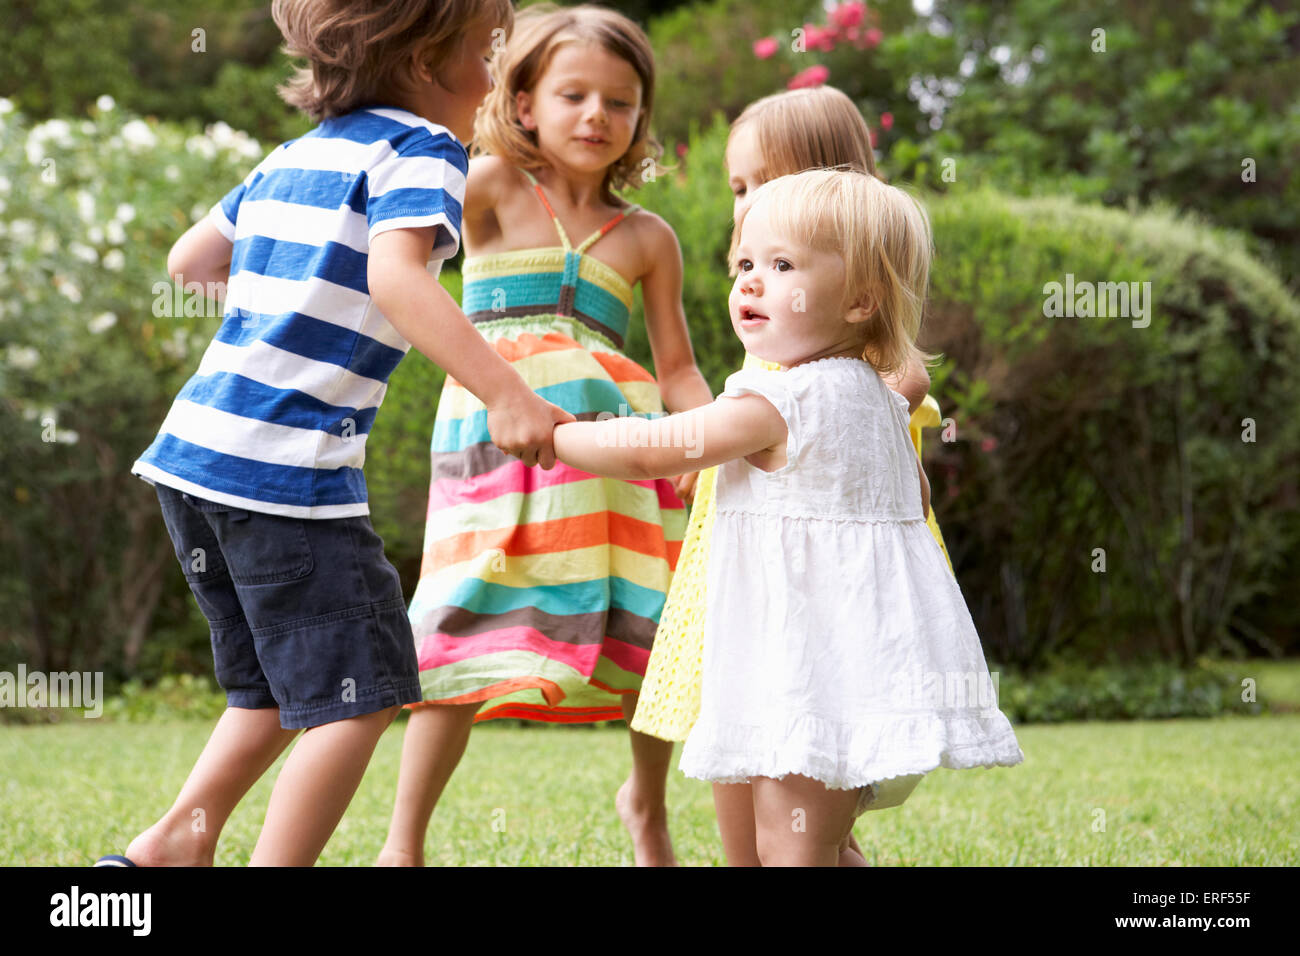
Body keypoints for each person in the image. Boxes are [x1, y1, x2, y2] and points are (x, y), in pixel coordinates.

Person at [98, 0, 570, 868]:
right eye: (490, 47)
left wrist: (281, 307)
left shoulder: (294, 155)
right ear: (430, 62)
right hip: (286, 471)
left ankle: (168, 848)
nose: (502, 69)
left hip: (197, 458)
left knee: (277, 690)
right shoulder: (425, 149)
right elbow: (397, 278)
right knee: (361, 693)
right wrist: (506, 394)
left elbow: (189, 263)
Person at [552, 168, 1025, 866]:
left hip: (803, 678)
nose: (750, 281)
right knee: (819, 846)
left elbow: (652, 448)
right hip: (867, 672)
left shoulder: (782, 401)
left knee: (791, 850)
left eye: (781, 266)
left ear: (862, 298)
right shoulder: (880, 403)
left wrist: (559, 436)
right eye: (745, 263)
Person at [377, 3, 711, 868]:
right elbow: (401, 265)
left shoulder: (647, 238)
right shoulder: (484, 184)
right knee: (461, 609)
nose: (598, 116)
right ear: (523, 102)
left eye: (621, 102)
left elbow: (675, 368)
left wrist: (707, 439)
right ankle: (401, 843)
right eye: (573, 95)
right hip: (497, 437)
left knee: (648, 615)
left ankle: (648, 803)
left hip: (616, 450)